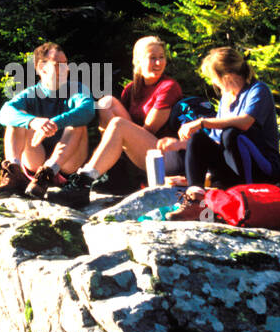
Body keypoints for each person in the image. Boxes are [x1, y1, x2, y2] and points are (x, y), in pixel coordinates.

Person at [47, 35, 182, 206]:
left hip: (165, 157)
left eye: (161, 57)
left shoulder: (168, 86)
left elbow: (149, 131)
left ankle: (83, 182)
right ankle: (113, 169)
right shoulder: (132, 89)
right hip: (140, 152)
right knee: (106, 102)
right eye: (152, 58)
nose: (158, 63)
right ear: (139, 61)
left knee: (118, 125)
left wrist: (119, 137)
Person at [0, 42, 95, 198]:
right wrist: (34, 121)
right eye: (58, 65)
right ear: (42, 68)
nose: (65, 69)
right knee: (16, 118)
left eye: (66, 64)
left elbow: (88, 111)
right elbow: (4, 113)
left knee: (78, 123)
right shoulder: (31, 93)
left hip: (68, 164)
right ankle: (13, 173)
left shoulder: (77, 88)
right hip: (36, 163)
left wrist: (54, 123)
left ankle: (49, 171)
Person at [179, 46, 280, 193]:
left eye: (214, 78)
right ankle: (195, 193)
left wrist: (202, 122)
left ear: (227, 75)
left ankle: (246, 192)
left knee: (231, 133)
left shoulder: (258, 90)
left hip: (262, 167)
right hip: (233, 166)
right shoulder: (226, 97)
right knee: (198, 138)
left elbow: (245, 122)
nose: (214, 83)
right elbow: (216, 140)